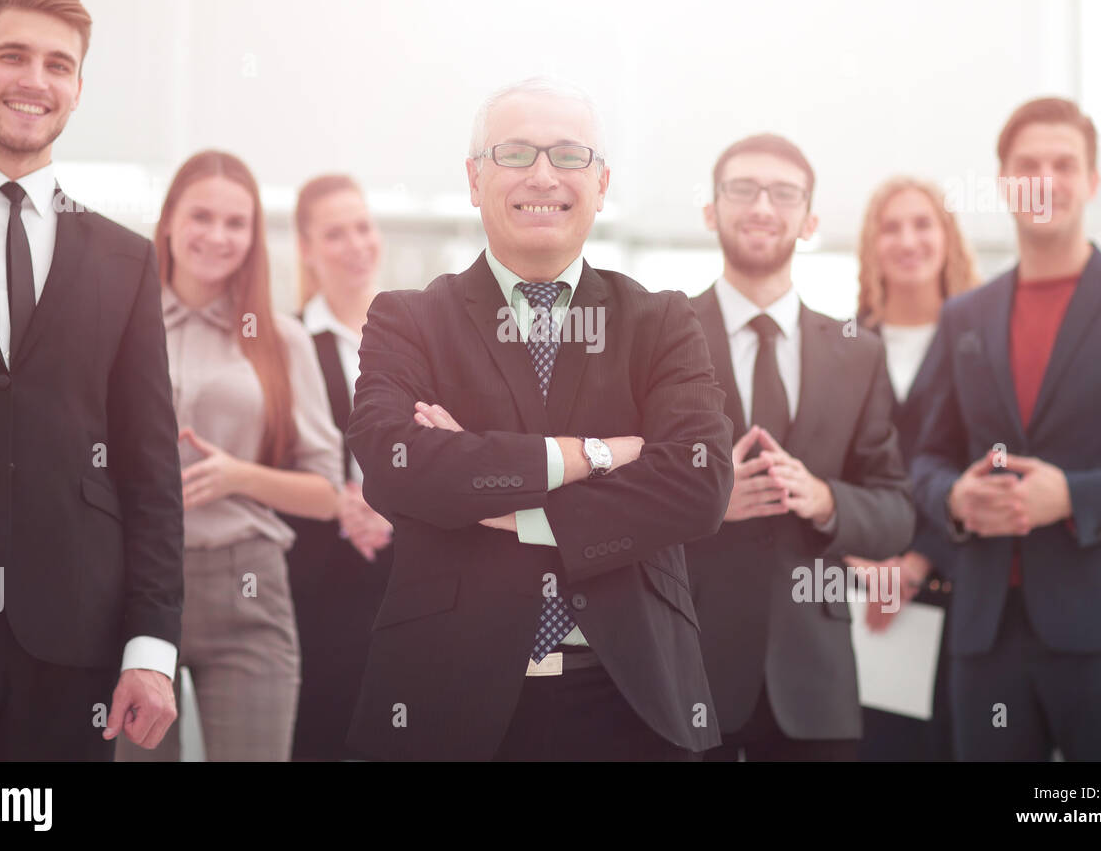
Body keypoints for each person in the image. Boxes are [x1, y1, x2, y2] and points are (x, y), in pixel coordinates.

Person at [343, 77, 734, 761]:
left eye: (568, 155)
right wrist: (595, 456)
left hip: (632, 703)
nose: (543, 175)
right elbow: (394, 464)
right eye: (516, 153)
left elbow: (697, 486)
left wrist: (502, 496)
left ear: (602, 181)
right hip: (444, 703)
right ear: (474, 178)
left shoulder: (663, 322)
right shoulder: (408, 319)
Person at [0, 0, 182, 760]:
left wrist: (152, 650)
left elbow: (150, 471)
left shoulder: (124, 260)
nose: (35, 80)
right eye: (13, 56)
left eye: (58, 65)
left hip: (74, 638)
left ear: (78, 89)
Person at [911, 96, 1101, 761]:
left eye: (1063, 164)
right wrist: (955, 496)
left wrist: (1074, 496)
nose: (1045, 178)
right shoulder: (965, 317)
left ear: (1093, 182)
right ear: (1006, 182)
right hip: (985, 637)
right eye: (1027, 164)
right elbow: (924, 457)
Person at [684, 133, 915, 761]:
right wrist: (707, 499)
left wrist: (823, 499)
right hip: (685, 675)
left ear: (809, 219)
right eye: (742, 189)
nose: (762, 205)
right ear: (711, 211)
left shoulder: (857, 353)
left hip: (817, 689)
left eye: (783, 193)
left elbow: (896, 514)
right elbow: (615, 493)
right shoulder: (661, 335)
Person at [117, 150, 344, 762]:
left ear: (253, 237)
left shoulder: (280, 339)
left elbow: (329, 493)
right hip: (132, 586)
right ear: (168, 221)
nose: (217, 236)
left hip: (248, 588)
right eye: (201, 216)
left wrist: (236, 476)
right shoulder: (118, 323)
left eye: (236, 223)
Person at [849, 175, 980, 761]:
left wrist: (917, 562)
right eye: (891, 226)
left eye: (922, 223)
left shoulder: (984, 343)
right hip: (859, 598)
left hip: (962, 591)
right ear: (872, 245)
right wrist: (869, 565)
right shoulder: (844, 344)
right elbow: (828, 467)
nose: (908, 240)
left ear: (948, 237)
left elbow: (990, 465)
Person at [285, 174, 394, 760]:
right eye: (335, 233)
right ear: (306, 249)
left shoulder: (418, 336)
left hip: (409, 579)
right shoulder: (289, 339)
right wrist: (341, 506)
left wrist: (393, 511)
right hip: (317, 586)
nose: (356, 244)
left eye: (363, 226)